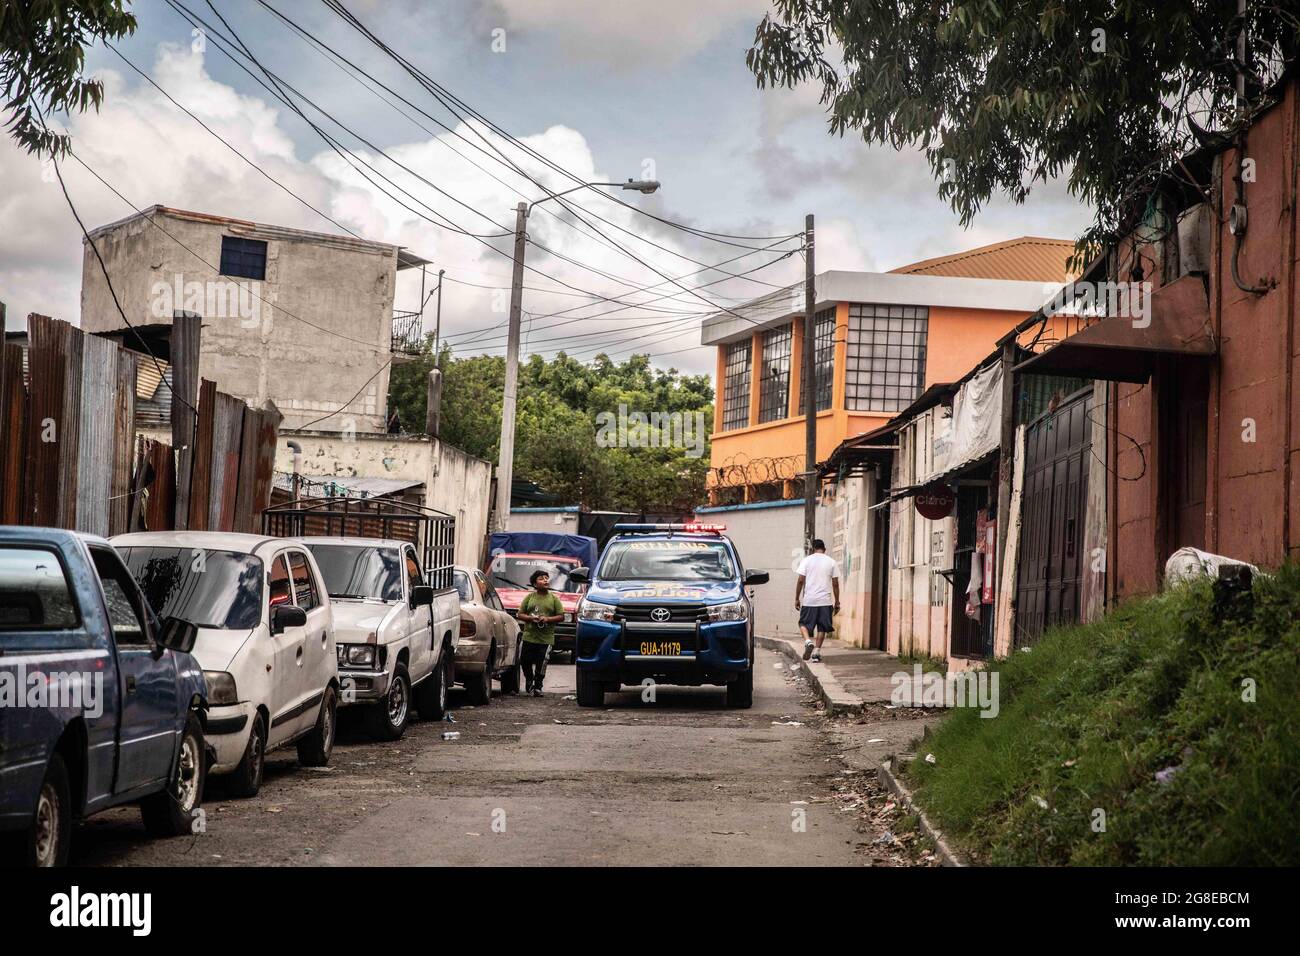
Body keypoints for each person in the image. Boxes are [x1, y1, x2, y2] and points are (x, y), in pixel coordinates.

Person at [517, 569, 564, 696]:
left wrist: (547, 619)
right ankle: (529, 680)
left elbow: (561, 616)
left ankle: (538, 686)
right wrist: (531, 618)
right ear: (535, 583)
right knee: (524, 660)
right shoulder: (529, 597)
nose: (545, 580)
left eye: (546, 578)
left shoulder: (554, 599)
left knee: (541, 663)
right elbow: (520, 614)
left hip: (546, 638)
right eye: (541, 578)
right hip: (529, 636)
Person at [795, 539, 840, 662]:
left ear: (813, 549)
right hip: (825, 601)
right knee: (822, 627)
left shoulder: (806, 561)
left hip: (809, 600)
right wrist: (837, 602)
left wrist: (797, 598)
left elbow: (800, 581)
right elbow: (835, 584)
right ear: (824, 549)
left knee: (803, 624)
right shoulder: (831, 562)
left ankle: (808, 641)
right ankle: (816, 652)